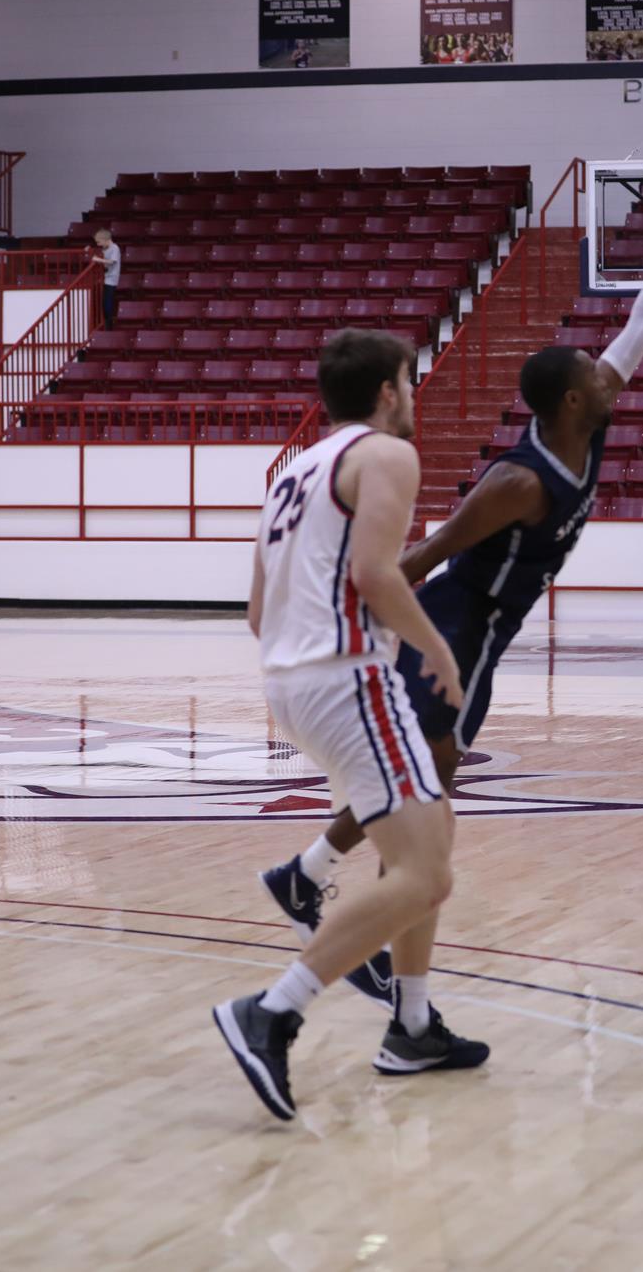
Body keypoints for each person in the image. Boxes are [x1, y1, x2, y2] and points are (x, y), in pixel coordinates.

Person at [258, 158, 643, 1021]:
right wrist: (354, 610)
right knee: (426, 806)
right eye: (593, 372)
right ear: (566, 400)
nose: (609, 372)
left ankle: (308, 876)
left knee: (417, 790)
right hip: (461, 628)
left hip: (477, 633)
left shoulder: (586, 416)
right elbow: (426, 555)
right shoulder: (518, 483)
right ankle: (365, 951)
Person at [215, 329, 477, 1121]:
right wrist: (435, 649)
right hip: (348, 675)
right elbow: (373, 573)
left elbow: (259, 611)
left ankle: (414, 1024)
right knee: (426, 874)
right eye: (410, 380)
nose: (413, 395)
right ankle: (273, 1009)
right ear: (389, 392)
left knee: (430, 838)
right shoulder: (386, 457)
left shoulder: (290, 471)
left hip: (290, 680)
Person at [90, 229, 121, 328]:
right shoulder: (105, 249)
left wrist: (98, 259)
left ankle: (109, 324)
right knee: (104, 303)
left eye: (99, 242)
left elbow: (112, 261)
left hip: (111, 279)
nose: (98, 244)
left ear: (105, 239)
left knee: (107, 303)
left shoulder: (114, 247)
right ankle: (106, 322)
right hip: (106, 278)